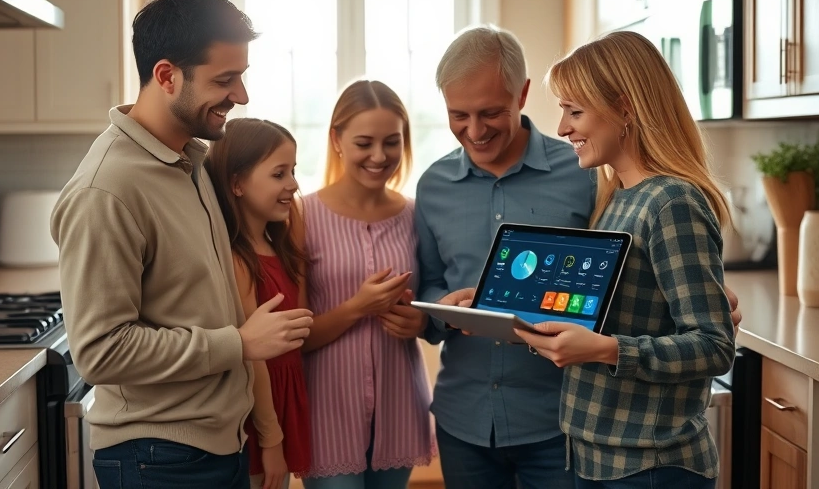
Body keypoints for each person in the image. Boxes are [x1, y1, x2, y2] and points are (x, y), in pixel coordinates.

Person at [50, 0, 313, 489]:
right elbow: (100, 352)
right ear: (167, 76)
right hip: (157, 459)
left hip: (215, 445)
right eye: (225, 80)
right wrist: (236, 343)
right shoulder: (106, 189)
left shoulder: (187, 161)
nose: (241, 95)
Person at [514, 30, 737, 488]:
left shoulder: (671, 201)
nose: (561, 129)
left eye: (574, 111)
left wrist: (606, 348)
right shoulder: (616, 197)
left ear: (625, 108)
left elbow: (714, 345)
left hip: (650, 465)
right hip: (598, 455)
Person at [414, 25, 589, 489]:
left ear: (524, 94)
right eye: (458, 115)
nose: (474, 131)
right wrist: (445, 309)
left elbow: (616, 278)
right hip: (463, 420)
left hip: (559, 421)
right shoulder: (433, 186)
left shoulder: (584, 174)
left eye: (490, 112)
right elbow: (429, 283)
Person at [298, 80, 436, 489]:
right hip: (326, 408)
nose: (380, 156)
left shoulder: (416, 214)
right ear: (336, 140)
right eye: (364, 143)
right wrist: (358, 306)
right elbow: (295, 336)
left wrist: (420, 323)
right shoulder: (301, 216)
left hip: (400, 404)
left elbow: (430, 302)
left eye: (392, 142)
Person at [205, 118, 312, 489]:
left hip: (282, 405)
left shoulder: (274, 244)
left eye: (293, 171)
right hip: (261, 416)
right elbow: (255, 358)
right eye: (279, 174)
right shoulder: (239, 259)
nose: (293, 184)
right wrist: (271, 439)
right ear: (236, 183)